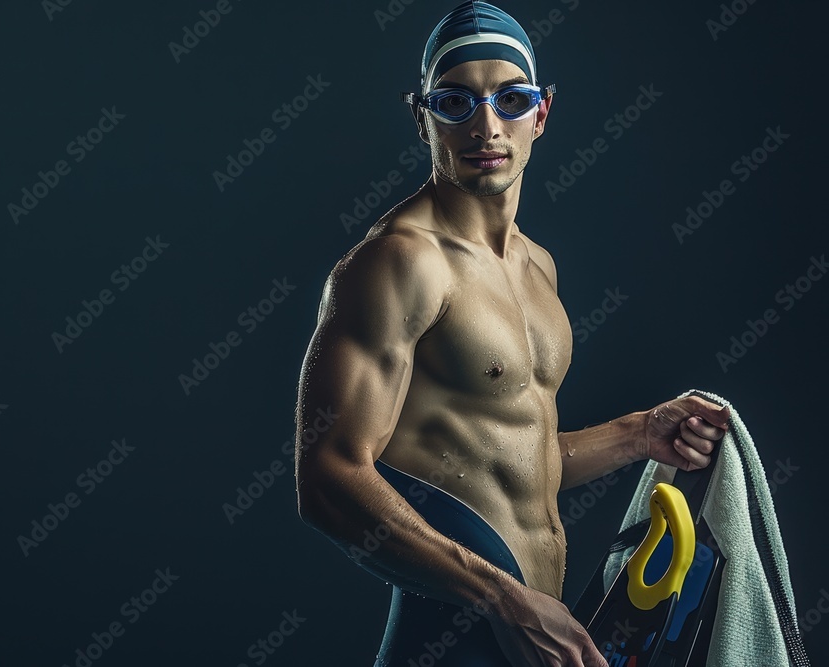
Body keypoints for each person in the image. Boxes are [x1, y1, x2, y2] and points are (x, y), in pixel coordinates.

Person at [292, 2, 730, 665]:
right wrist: (504, 600)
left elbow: (509, 460)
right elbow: (326, 477)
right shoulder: (401, 262)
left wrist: (639, 433)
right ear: (423, 119)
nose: (486, 126)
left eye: (511, 98)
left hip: (533, 639)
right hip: (458, 637)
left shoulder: (536, 267)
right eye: (455, 102)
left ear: (541, 115)